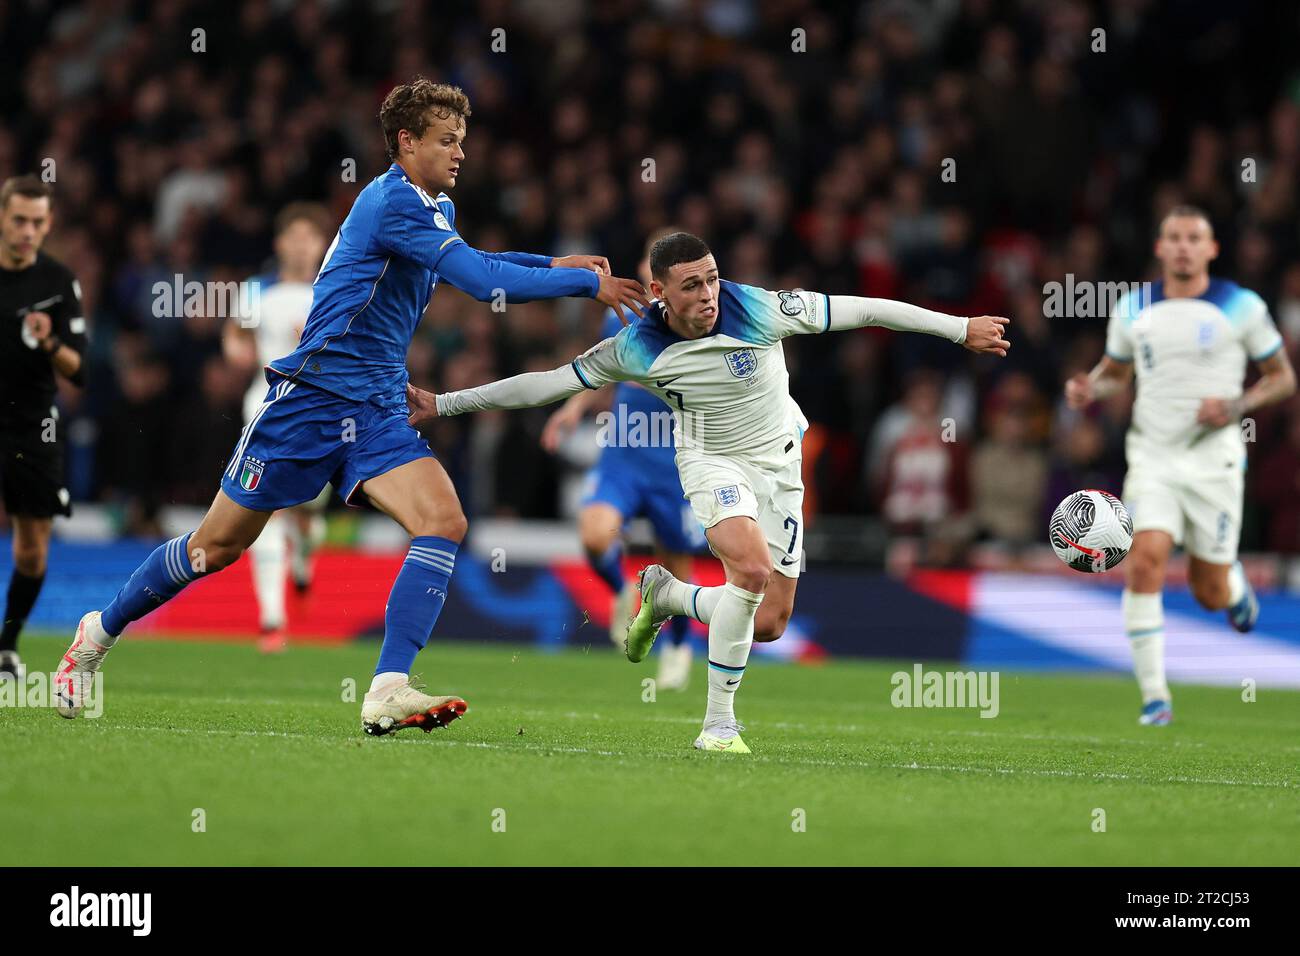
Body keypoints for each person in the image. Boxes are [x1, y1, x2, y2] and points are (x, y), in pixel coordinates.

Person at [55, 77, 649, 734]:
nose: (459, 153)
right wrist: (580, 282)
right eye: (446, 141)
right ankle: (97, 632)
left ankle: (387, 688)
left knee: (444, 520)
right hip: (308, 402)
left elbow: (479, 259)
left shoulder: (433, 208)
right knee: (213, 549)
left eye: (462, 140)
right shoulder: (391, 202)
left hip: (374, 409)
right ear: (405, 142)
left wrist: (549, 259)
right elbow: (479, 283)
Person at [412, 232, 1008, 752]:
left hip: (780, 466)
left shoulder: (762, 308)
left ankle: (669, 596)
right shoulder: (636, 346)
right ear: (659, 294)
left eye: (713, 278)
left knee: (771, 620)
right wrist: (446, 403)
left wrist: (959, 329)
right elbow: (546, 384)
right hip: (711, 462)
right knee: (748, 573)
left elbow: (867, 309)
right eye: (692, 285)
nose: (708, 293)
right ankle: (718, 726)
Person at [1065, 205, 1296, 726]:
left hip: (1215, 462)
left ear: (1212, 249)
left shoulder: (1242, 306)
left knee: (1207, 591)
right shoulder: (1132, 308)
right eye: (1175, 237)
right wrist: (1089, 387)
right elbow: (1116, 373)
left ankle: (1233, 586)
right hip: (1153, 456)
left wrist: (1236, 406)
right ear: (1160, 248)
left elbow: (1282, 378)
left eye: (1195, 237)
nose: (1184, 246)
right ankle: (1155, 698)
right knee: (1144, 559)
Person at [540, 230, 705, 690]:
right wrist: (571, 409)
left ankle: (676, 648)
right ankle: (619, 591)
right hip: (624, 456)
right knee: (594, 534)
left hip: (676, 465)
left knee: (675, 568)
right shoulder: (622, 322)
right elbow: (598, 373)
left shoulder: (704, 329)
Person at [222, 203, 332, 653]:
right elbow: (235, 334)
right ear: (280, 244)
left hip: (319, 414)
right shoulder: (256, 290)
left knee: (308, 514)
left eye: (311, 237)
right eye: (295, 237)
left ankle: (303, 560)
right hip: (264, 408)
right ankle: (272, 618)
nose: (303, 246)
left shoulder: (333, 288)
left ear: (322, 245)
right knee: (263, 506)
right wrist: (237, 352)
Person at [0, 176, 89, 682]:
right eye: (19, 220)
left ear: (48, 223)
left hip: (34, 426)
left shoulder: (58, 283)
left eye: (37, 222)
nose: (28, 230)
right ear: (3, 218)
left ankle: (7, 644)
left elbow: (81, 371)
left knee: (32, 546)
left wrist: (50, 342)